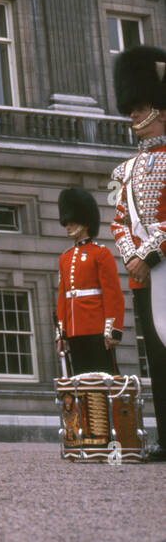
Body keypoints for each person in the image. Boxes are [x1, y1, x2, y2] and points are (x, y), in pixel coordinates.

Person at [109, 45, 166, 462]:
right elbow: (117, 221)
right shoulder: (126, 168)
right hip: (143, 274)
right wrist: (131, 255)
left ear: (159, 109)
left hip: (160, 267)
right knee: (155, 357)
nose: (133, 115)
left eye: (140, 106)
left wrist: (146, 255)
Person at [54, 187, 123, 375]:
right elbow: (63, 298)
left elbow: (113, 294)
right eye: (66, 222)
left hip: (97, 331)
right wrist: (62, 333)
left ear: (84, 223)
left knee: (103, 380)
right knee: (80, 383)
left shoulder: (101, 254)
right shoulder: (65, 258)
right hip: (75, 333)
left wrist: (112, 329)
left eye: (72, 221)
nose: (67, 226)